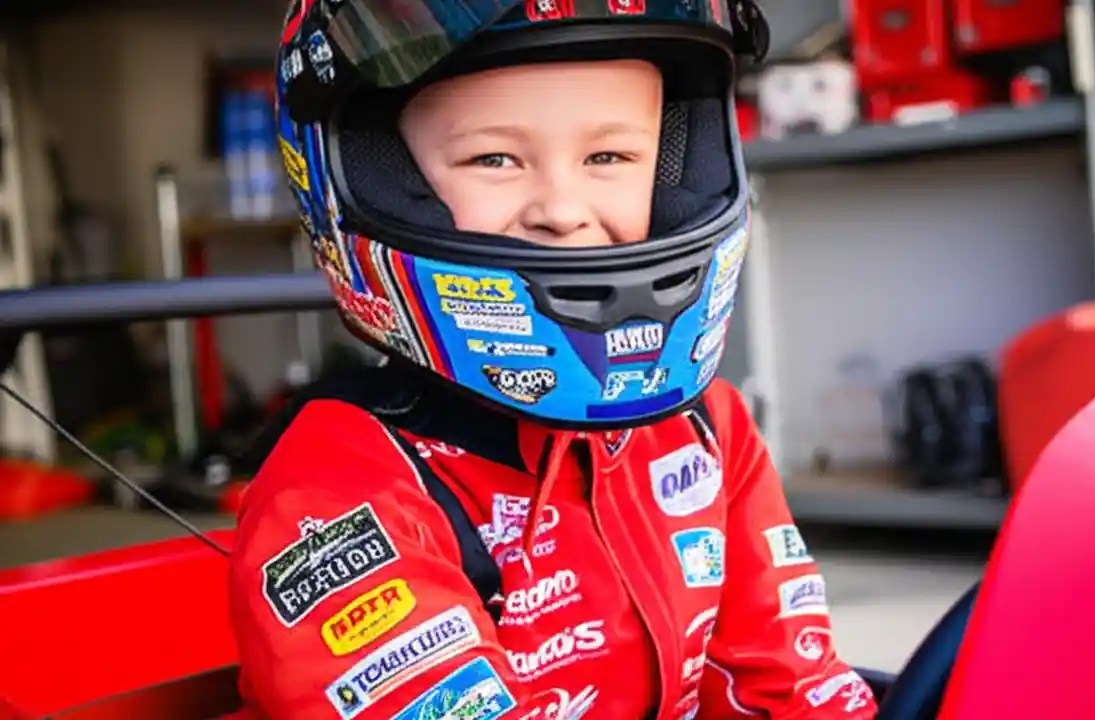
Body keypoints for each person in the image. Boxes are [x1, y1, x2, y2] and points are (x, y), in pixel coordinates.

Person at [229, 1, 878, 718]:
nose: (562, 210)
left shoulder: (708, 429)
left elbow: (789, 687)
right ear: (381, 179)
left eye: (608, 156)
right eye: (495, 159)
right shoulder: (336, 494)